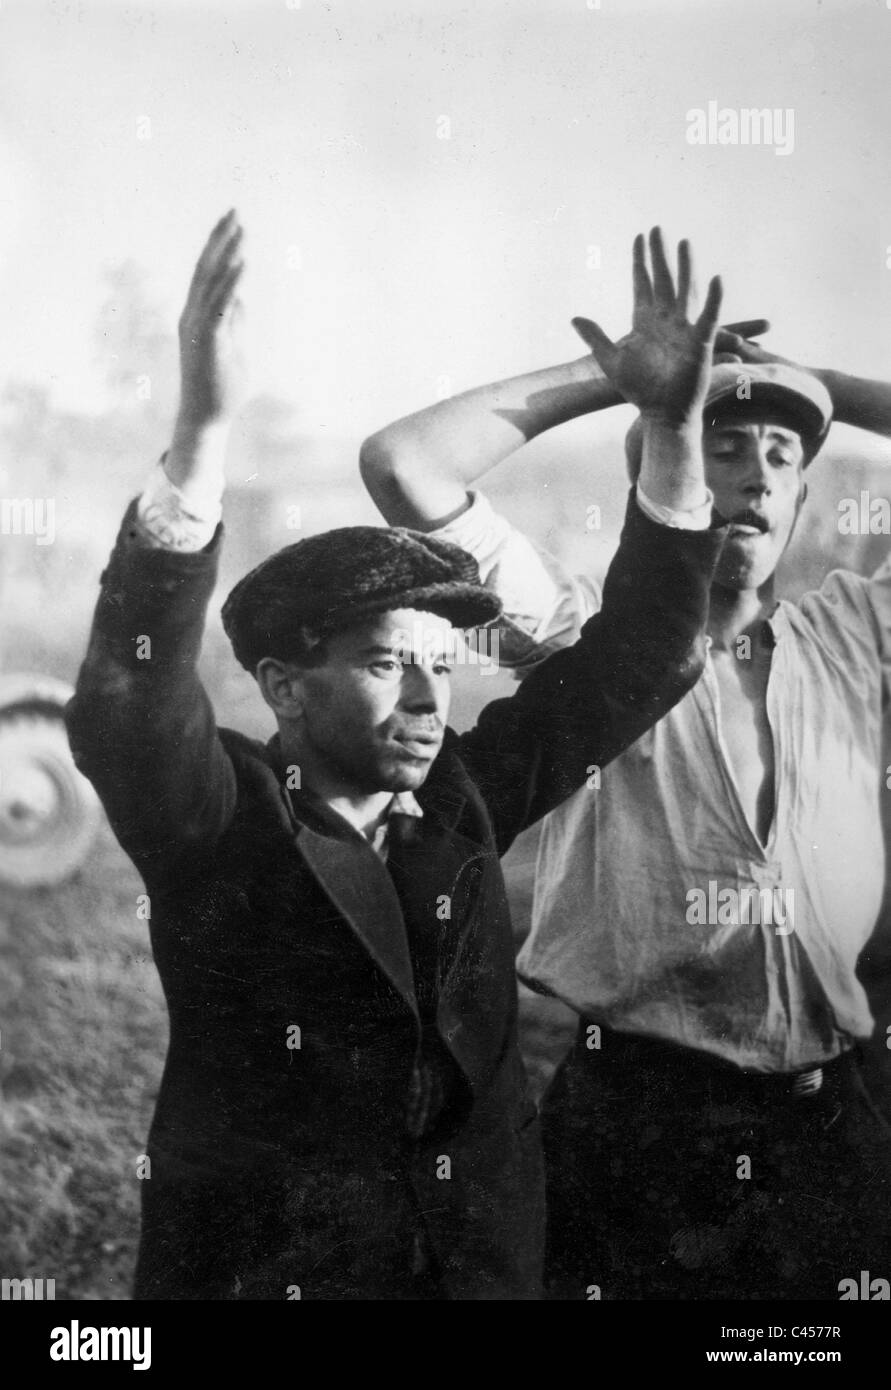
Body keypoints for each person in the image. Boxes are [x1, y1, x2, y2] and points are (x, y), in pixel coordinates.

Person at [65, 214, 723, 1300]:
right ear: (283, 684)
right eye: (384, 664)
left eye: (440, 662)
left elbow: (643, 651)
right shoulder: (217, 815)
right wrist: (202, 431)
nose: (429, 698)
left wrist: (667, 420)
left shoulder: (461, 796)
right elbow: (126, 700)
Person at [360, 226, 891, 1300]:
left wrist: (808, 381)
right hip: (641, 1112)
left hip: (835, 1110)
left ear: (802, 501)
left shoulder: (856, 631)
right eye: (719, 446)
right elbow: (404, 463)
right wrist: (623, 380)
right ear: (662, 474)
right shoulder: (582, 638)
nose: (748, 478)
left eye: (779, 457)